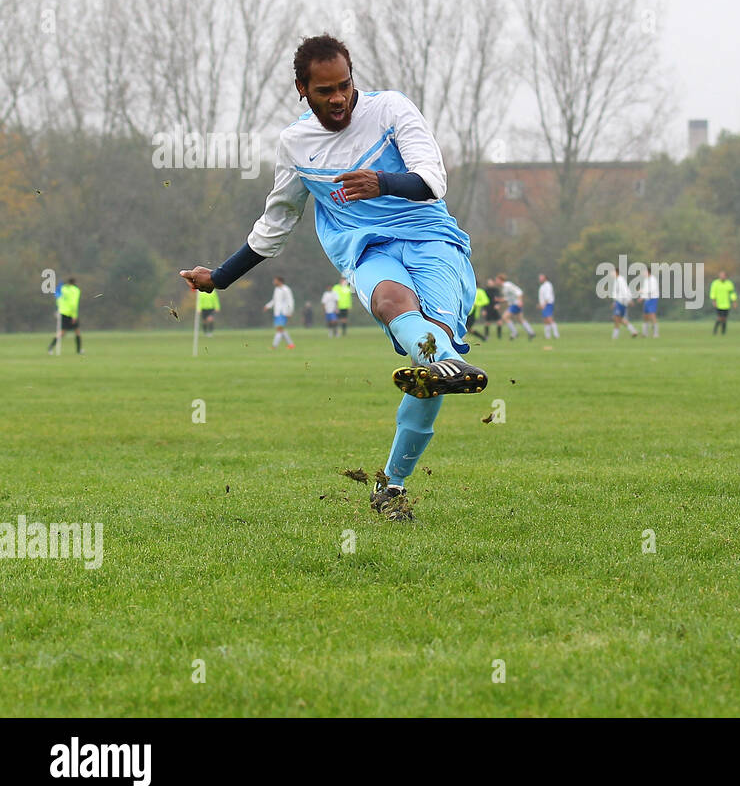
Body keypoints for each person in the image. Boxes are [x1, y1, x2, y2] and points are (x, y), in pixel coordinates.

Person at [180, 33, 487, 522]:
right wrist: (218, 277)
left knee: (427, 368)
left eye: (344, 85)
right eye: (325, 90)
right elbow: (276, 225)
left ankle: (393, 483)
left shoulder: (391, 110)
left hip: (433, 241)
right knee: (391, 304)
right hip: (366, 248)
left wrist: (382, 182)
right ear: (302, 89)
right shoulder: (296, 144)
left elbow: (432, 179)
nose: (339, 98)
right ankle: (442, 360)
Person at [47, 277, 83, 355]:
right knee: (76, 331)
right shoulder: (75, 290)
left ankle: (50, 347)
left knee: (63, 332)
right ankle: (79, 350)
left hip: (62, 312)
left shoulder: (63, 289)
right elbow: (74, 303)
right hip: (70, 313)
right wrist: (74, 315)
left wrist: (57, 310)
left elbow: (58, 299)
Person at [498, 273, 535, 341]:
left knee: (505, 317)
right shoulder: (504, 287)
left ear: (500, 280)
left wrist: (520, 301)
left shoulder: (507, 285)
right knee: (520, 319)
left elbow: (519, 292)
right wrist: (500, 300)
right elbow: (508, 298)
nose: (497, 281)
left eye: (497, 280)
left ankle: (514, 332)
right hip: (514, 304)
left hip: (516, 304)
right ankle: (531, 332)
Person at [264, 276, 296, 349]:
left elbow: (290, 301)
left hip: (283, 312)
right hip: (277, 312)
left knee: (279, 329)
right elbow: (274, 300)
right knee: (280, 329)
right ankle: (291, 344)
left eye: (275, 280)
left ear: (280, 281)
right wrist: (268, 306)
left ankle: (274, 346)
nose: (274, 282)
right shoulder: (277, 289)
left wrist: (289, 312)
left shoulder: (286, 289)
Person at [611, 267, 639, 339]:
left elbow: (625, 290)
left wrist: (629, 300)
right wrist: (614, 302)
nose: (611, 274)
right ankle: (633, 330)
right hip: (619, 301)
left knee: (616, 318)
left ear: (616, 272)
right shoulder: (617, 280)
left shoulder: (620, 280)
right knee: (618, 318)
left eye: (613, 272)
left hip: (621, 302)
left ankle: (615, 336)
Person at [639, 268, 660, 337]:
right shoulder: (646, 280)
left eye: (644, 271)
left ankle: (656, 333)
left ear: (648, 272)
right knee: (645, 316)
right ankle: (645, 333)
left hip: (653, 299)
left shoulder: (652, 279)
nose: (643, 273)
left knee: (652, 315)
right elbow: (646, 290)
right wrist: (642, 297)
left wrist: (642, 291)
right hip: (647, 299)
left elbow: (652, 290)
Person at [537, 274, 559, 339]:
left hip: (548, 304)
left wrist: (544, 304)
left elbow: (548, 296)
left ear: (545, 278)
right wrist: (540, 304)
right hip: (544, 304)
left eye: (541, 277)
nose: (539, 279)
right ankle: (547, 336)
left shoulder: (548, 285)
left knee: (549, 319)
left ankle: (556, 334)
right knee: (545, 320)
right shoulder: (542, 286)